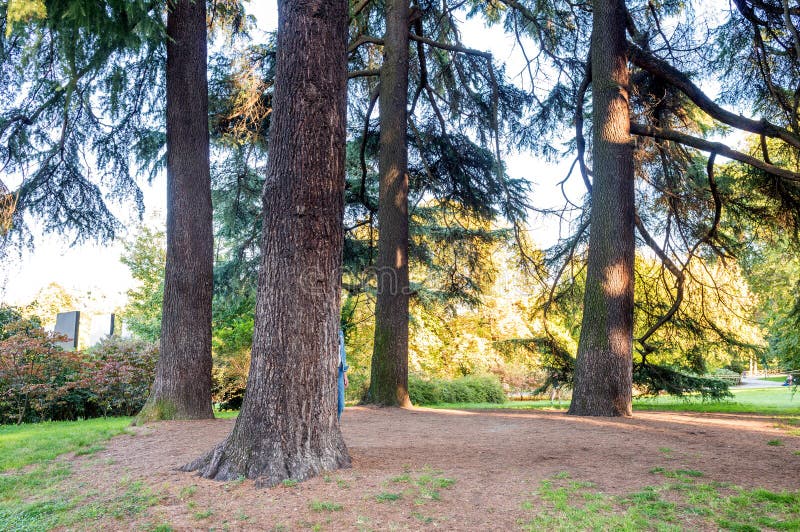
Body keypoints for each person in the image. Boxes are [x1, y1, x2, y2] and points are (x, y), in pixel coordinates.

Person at [337, 328, 349, 419]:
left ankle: (336, 423)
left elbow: (343, 354)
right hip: (326, 371)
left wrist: (345, 374)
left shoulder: (340, 333)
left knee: (341, 404)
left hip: (339, 371)